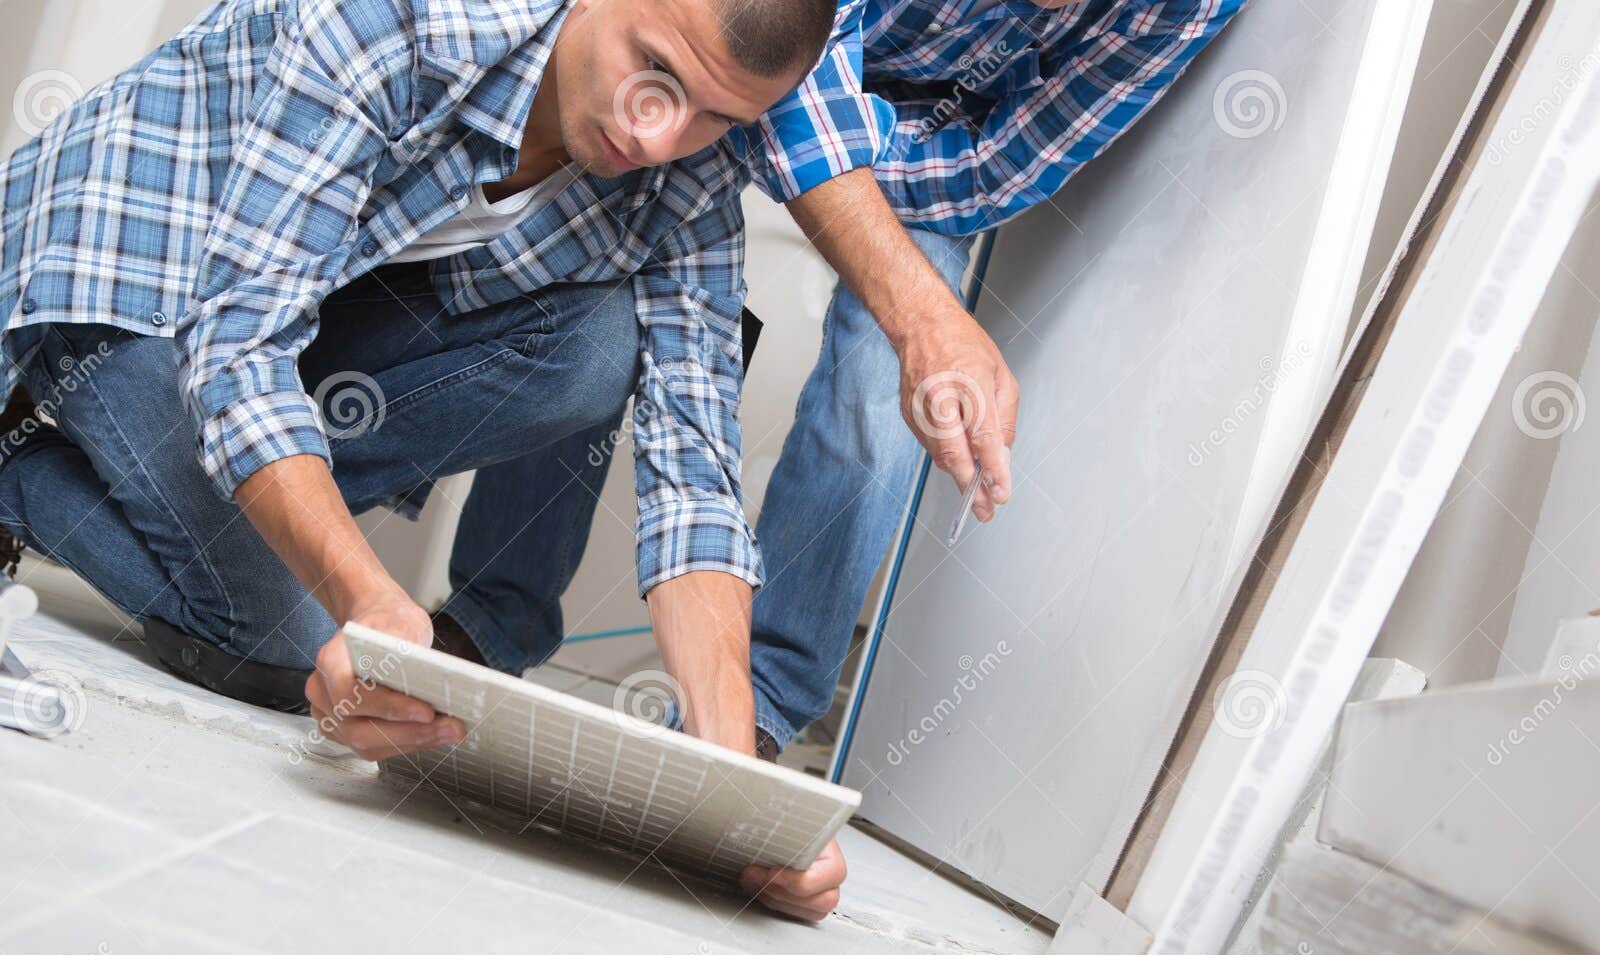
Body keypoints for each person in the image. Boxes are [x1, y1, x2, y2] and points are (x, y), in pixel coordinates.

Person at [0, 0, 851, 919]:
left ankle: (175, 489)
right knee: (292, 644)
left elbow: (696, 478)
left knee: (598, 347)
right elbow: (241, 345)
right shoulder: (399, 20)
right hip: (124, 273)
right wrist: (367, 600)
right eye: (654, 67)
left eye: (717, 117)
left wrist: (736, 802)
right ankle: (19, 472)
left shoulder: (689, 182)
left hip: (296, 316)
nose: (658, 135)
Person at [454, 0, 1249, 760]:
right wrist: (785, 122)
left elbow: (989, 172)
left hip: (914, 155)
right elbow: (774, 48)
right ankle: (494, 619)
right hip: (758, 53)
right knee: (605, 260)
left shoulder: (1186, 3)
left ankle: (751, 715)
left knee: (886, 405)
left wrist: (840, 160)